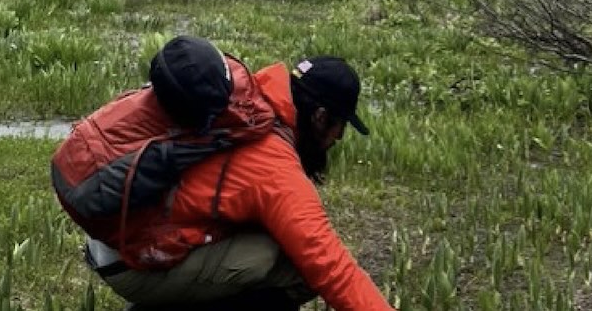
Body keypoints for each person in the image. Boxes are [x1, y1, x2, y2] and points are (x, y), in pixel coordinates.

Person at [83, 55, 394, 311]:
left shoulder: (248, 104)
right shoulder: (273, 166)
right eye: (340, 127)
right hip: (132, 259)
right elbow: (331, 268)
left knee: (270, 240)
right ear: (320, 117)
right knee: (295, 267)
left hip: (117, 232)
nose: (338, 139)